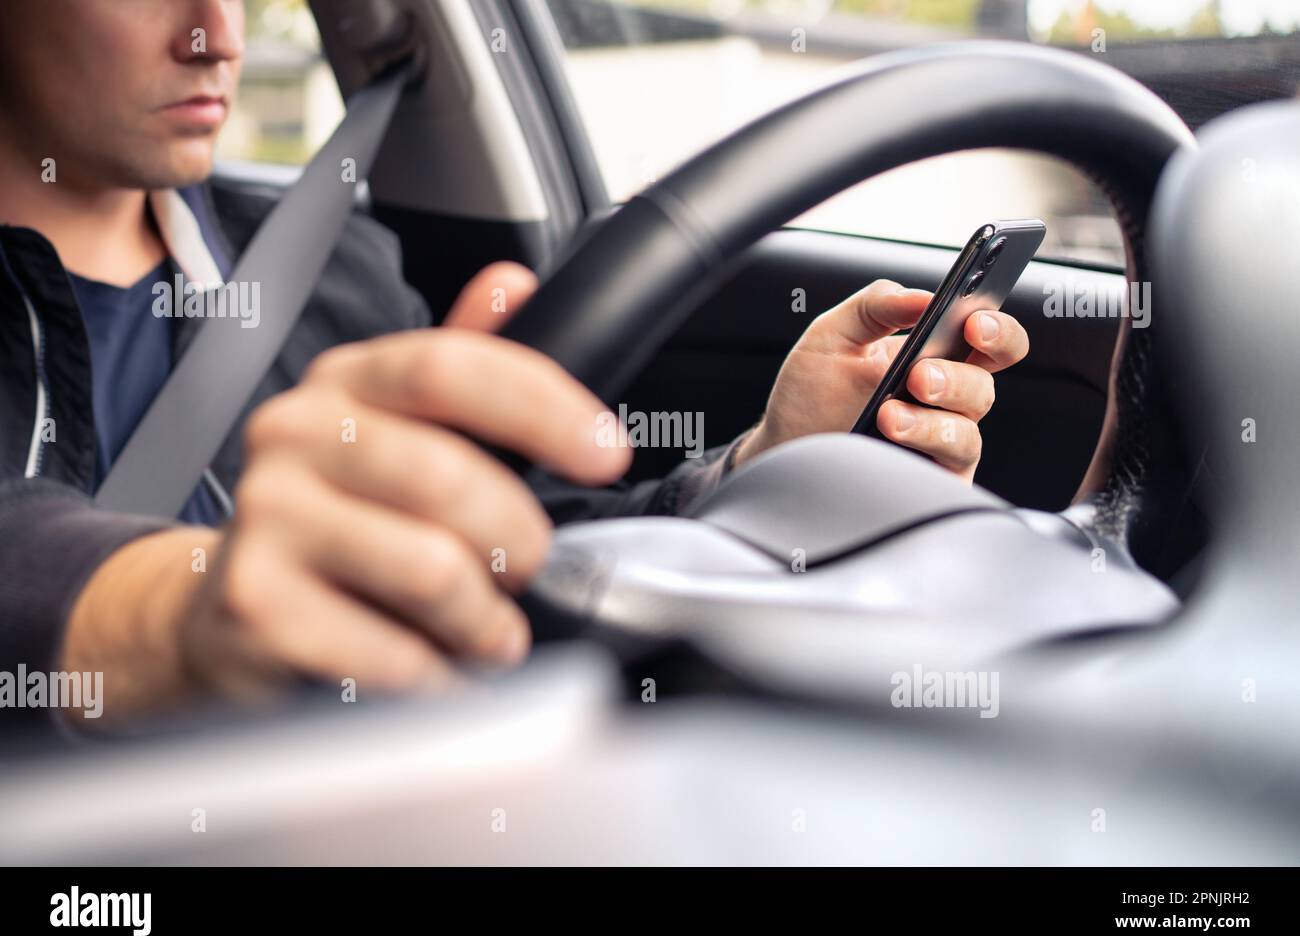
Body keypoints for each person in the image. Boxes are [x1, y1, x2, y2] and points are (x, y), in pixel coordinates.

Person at [0, 0, 1029, 723]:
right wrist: (174, 612)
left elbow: (507, 549)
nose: (213, 36)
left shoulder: (331, 263)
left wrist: (766, 464)